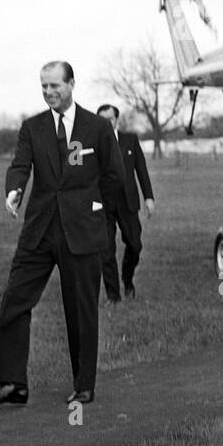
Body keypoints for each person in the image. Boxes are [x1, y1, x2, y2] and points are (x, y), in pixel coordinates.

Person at [0, 61, 124, 407]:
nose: (48, 93)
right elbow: (20, 165)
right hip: (40, 230)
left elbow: (113, 175)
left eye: (55, 86)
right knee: (15, 300)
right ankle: (13, 384)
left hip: (82, 231)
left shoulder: (98, 127)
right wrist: (14, 190)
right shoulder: (32, 127)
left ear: (72, 83)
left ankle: (84, 384)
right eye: (43, 86)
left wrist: (94, 209)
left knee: (81, 310)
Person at [96, 103, 154, 302]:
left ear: (116, 120)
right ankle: (114, 296)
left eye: (109, 119)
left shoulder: (130, 140)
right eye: (101, 119)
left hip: (128, 201)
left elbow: (141, 169)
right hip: (103, 204)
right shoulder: (91, 143)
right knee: (106, 251)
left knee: (135, 245)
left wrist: (148, 197)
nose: (106, 123)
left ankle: (127, 280)